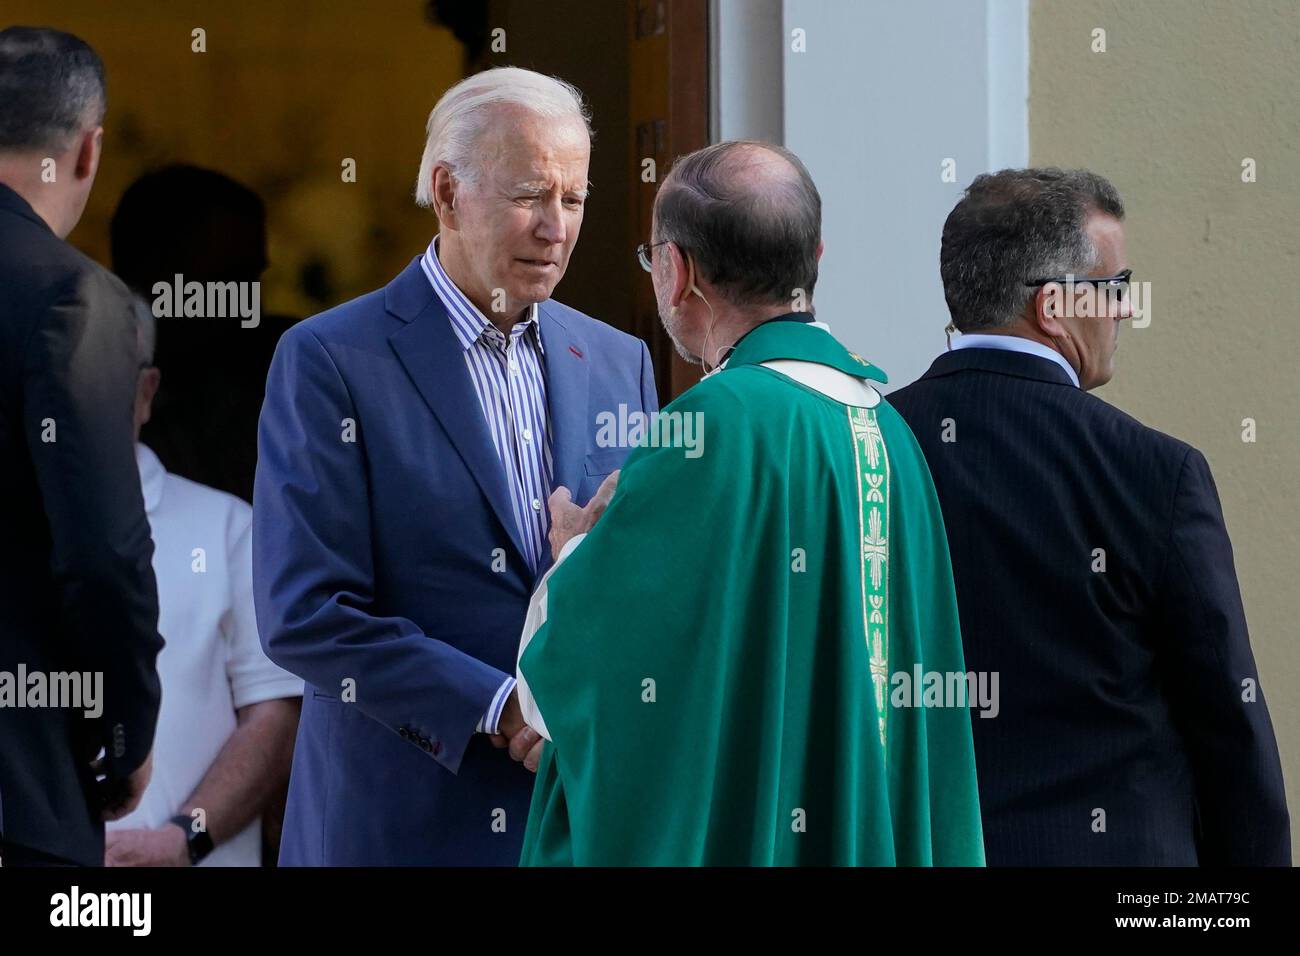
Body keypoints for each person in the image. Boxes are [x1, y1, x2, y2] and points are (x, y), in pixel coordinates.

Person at [514, 141, 985, 865]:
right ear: (815, 256)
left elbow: (577, 685)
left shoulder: (712, 426)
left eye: (654, 262)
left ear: (677, 273)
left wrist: (576, 551)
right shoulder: (891, 431)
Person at [253, 67, 658, 865]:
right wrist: (502, 708)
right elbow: (306, 611)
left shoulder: (621, 362)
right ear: (446, 193)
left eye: (573, 200)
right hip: (396, 828)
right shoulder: (331, 359)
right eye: (529, 195)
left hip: (573, 826)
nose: (556, 228)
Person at [888, 167, 1290, 865]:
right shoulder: (1157, 473)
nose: (1126, 309)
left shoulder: (870, 450)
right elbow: (1228, 724)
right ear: (1053, 307)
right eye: (1115, 287)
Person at [0, 26, 162, 866]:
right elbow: (100, 555)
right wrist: (126, 727)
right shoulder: (69, 297)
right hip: (21, 788)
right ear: (89, 149)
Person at [104, 299, 303, 867]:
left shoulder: (227, 529)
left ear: (147, 392)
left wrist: (181, 837)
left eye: (101, 375)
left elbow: (277, 714)